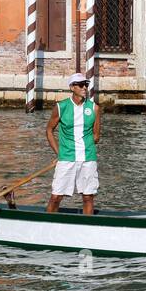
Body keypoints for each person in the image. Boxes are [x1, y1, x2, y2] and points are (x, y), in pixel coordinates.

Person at [46, 73, 100, 215]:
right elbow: (49, 130)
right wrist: (59, 152)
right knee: (56, 197)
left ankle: (88, 228)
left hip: (88, 158)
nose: (84, 88)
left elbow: (96, 136)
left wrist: (84, 143)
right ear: (72, 87)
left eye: (86, 85)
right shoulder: (61, 107)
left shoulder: (94, 108)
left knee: (88, 197)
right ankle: (47, 224)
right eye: (80, 85)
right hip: (66, 158)